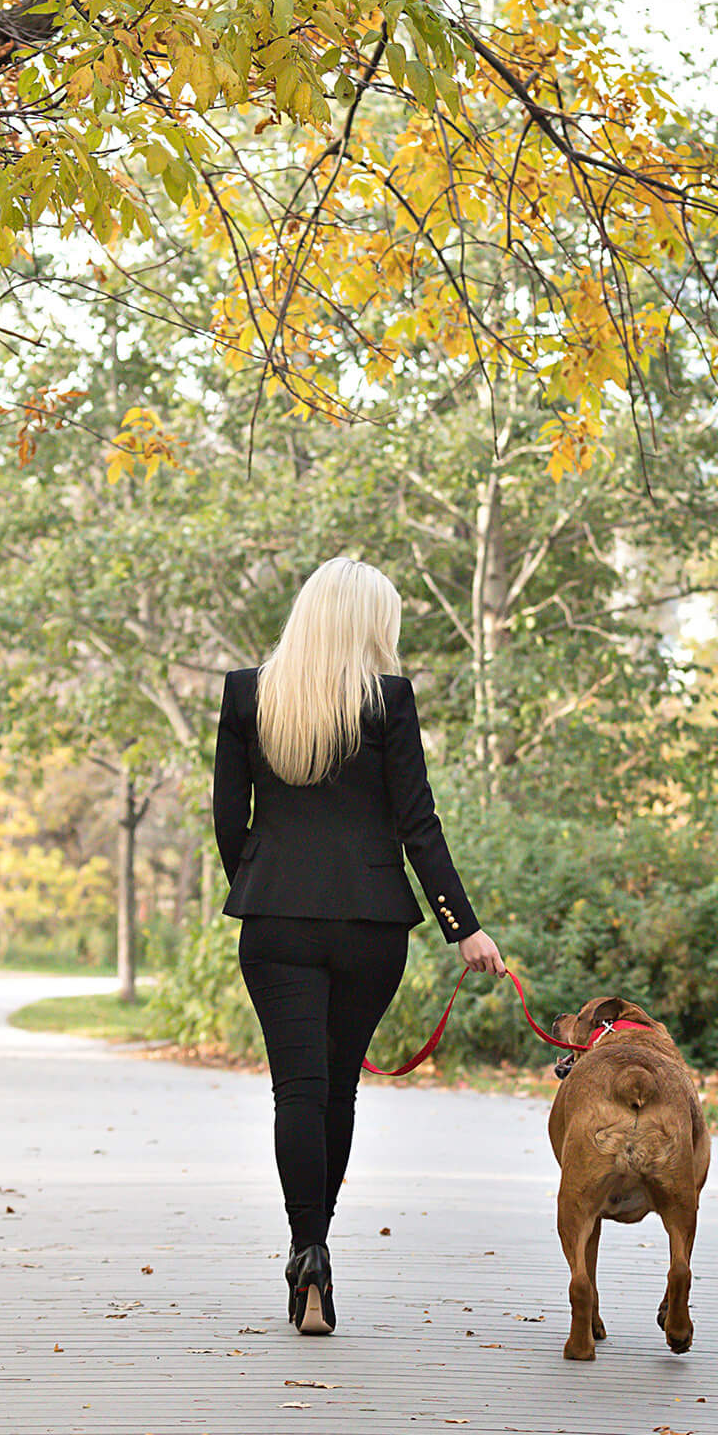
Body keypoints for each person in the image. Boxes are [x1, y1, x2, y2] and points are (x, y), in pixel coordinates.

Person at [213, 556, 504, 1336]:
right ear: (370, 623)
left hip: (275, 921)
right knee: (336, 1091)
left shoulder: (248, 693)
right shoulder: (391, 703)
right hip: (371, 926)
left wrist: (262, 879)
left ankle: (309, 1254)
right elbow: (419, 824)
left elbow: (226, 822)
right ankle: (317, 1248)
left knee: (296, 1092)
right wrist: (462, 926)